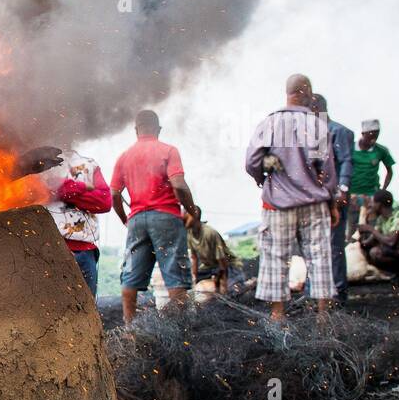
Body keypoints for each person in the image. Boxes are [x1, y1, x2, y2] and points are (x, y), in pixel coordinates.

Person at [244, 73, 340, 320]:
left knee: (276, 259)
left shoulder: (269, 124)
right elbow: (327, 171)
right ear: (305, 91)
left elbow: (252, 162)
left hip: (277, 204)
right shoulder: (318, 124)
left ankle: (278, 318)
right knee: (319, 257)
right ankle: (323, 318)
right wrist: (332, 203)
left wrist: (262, 179)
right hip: (314, 203)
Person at [110, 109, 196, 323]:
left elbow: (114, 193)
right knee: (175, 274)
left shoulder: (124, 156)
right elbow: (179, 186)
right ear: (158, 129)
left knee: (130, 275)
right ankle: (180, 328)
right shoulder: (168, 150)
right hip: (166, 216)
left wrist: (125, 218)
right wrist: (192, 211)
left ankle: (129, 330)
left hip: (137, 219)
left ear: (136, 130)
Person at [19, 144, 112, 296]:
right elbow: (25, 196)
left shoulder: (88, 164)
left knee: (86, 310)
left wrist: (66, 188)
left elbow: (104, 202)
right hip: (45, 250)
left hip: (84, 252)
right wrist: (82, 188)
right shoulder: (33, 164)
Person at [311, 93, 354, 304]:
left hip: (334, 197)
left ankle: (339, 292)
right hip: (316, 199)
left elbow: (346, 162)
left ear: (318, 109)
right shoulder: (311, 136)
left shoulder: (340, 132)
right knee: (315, 247)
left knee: (335, 246)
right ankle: (316, 294)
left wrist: (342, 190)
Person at [184, 205, 236, 302]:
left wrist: (222, 282)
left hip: (226, 266)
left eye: (186, 214)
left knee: (229, 292)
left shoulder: (210, 233)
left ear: (194, 216)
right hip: (209, 266)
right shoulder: (190, 234)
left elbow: (222, 260)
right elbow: (194, 257)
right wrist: (194, 278)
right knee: (199, 290)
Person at [357, 189, 399, 273]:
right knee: (366, 251)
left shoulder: (398, 216)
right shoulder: (381, 219)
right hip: (394, 250)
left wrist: (370, 229)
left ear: (379, 205)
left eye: (373, 203)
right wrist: (359, 241)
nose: (370, 205)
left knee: (375, 253)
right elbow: (369, 241)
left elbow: (391, 242)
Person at [349, 118, 395, 218]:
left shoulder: (381, 151)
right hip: (351, 194)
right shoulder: (350, 148)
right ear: (363, 133)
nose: (373, 139)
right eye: (371, 135)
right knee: (351, 224)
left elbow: (389, 171)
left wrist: (383, 190)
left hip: (371, 196)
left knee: (369, 224)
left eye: (376, 135)